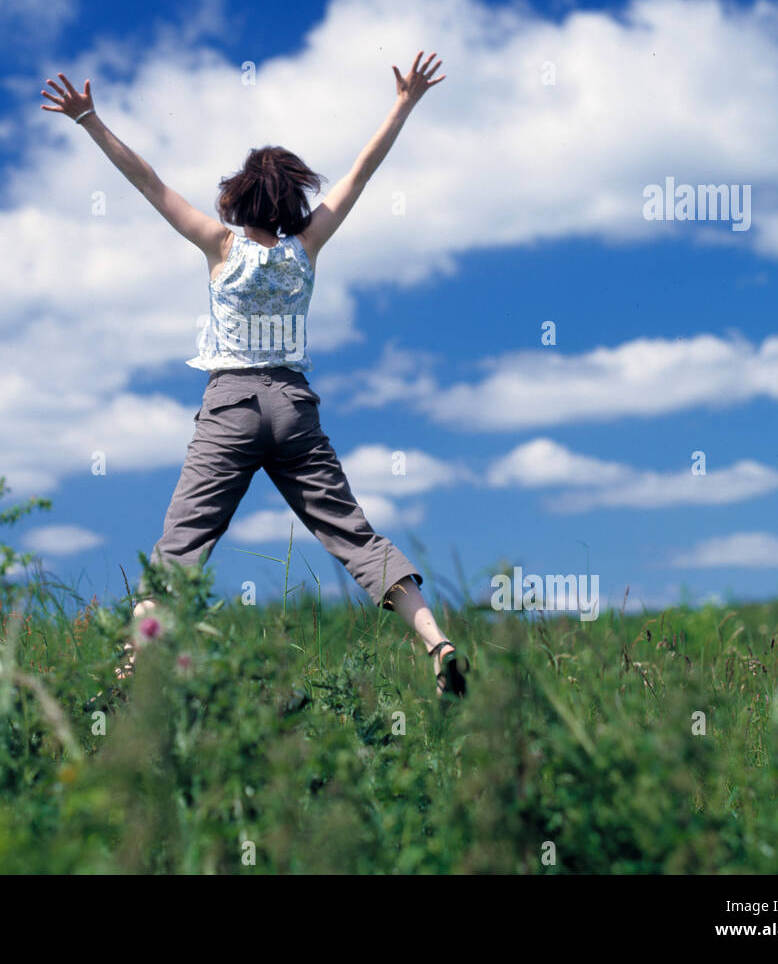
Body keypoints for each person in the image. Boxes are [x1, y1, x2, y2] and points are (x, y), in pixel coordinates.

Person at [41, 51, 467, 697]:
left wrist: (91, 121)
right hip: (294, 407)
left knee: (181, 546)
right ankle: (436, 639)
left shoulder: (220, 245)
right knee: (354, 533)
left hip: (231, 403)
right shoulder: (308, 247)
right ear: (292, 199)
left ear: (239, 197)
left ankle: (128, 675)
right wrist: (403, 104)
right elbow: (360, 173)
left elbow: (150, 184)